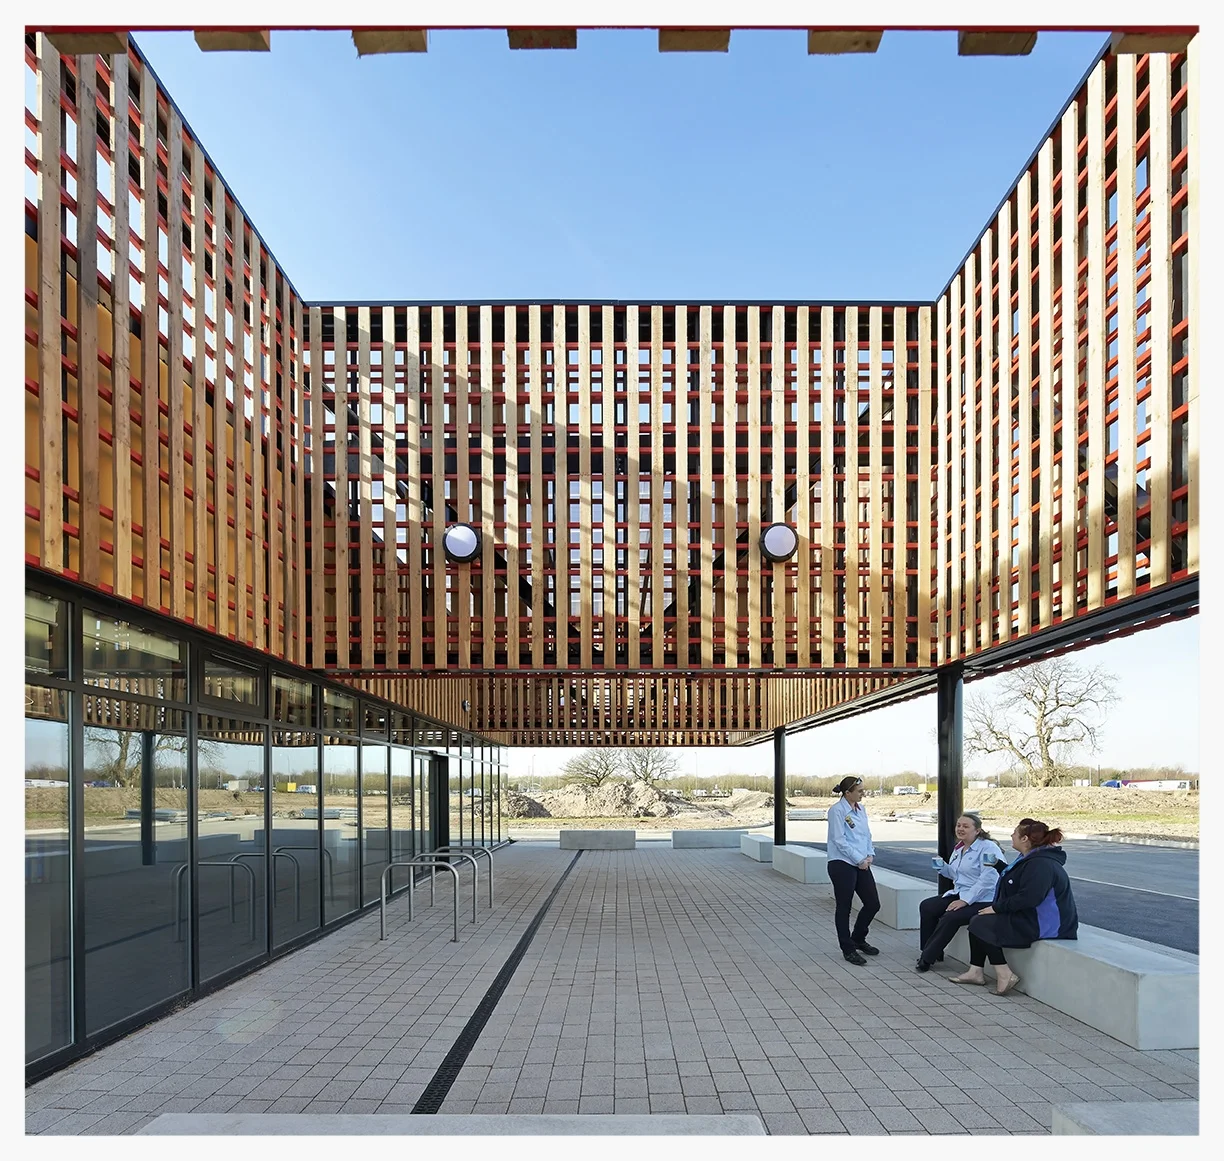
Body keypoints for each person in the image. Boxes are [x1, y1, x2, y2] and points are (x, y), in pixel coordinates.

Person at [950, 817, 1079, 995]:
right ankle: (975, 971)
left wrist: (996, 908)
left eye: (1014, 833)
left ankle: (1004, 973)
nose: (1011, 836)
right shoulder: (1031, 858)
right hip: (1032, 915)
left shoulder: (1041, 864)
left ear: (1024, 839)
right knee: (979, 920)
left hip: (1047, 924)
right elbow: (1016, 880)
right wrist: (998, 865)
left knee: (980, 923)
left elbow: (1029, 897)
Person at [915, 812, 1004, 972]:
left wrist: (965, 901)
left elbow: (989, 879)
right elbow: (956, 875)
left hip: (983, 899)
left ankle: (927, 957)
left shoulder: (988, 848)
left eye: (966, 826)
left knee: (951, 916)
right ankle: (931, 951)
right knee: (927, 906)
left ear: (977, 830)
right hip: (961, 893)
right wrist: (942, 867)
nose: (960, 829)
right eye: (958, 825)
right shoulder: (960, 847)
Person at [825, 775, 880, 965]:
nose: (863, 794)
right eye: (859, 791)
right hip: (842, 863)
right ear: (847, 793)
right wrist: (858, 859)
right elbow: (838, 840)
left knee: (873, 904)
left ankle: (858, 938)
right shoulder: (837, 811)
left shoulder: (861, 809)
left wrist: (870, 854)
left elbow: (866, 835)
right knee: (844, 907)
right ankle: (847, 948)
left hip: (862, 862)